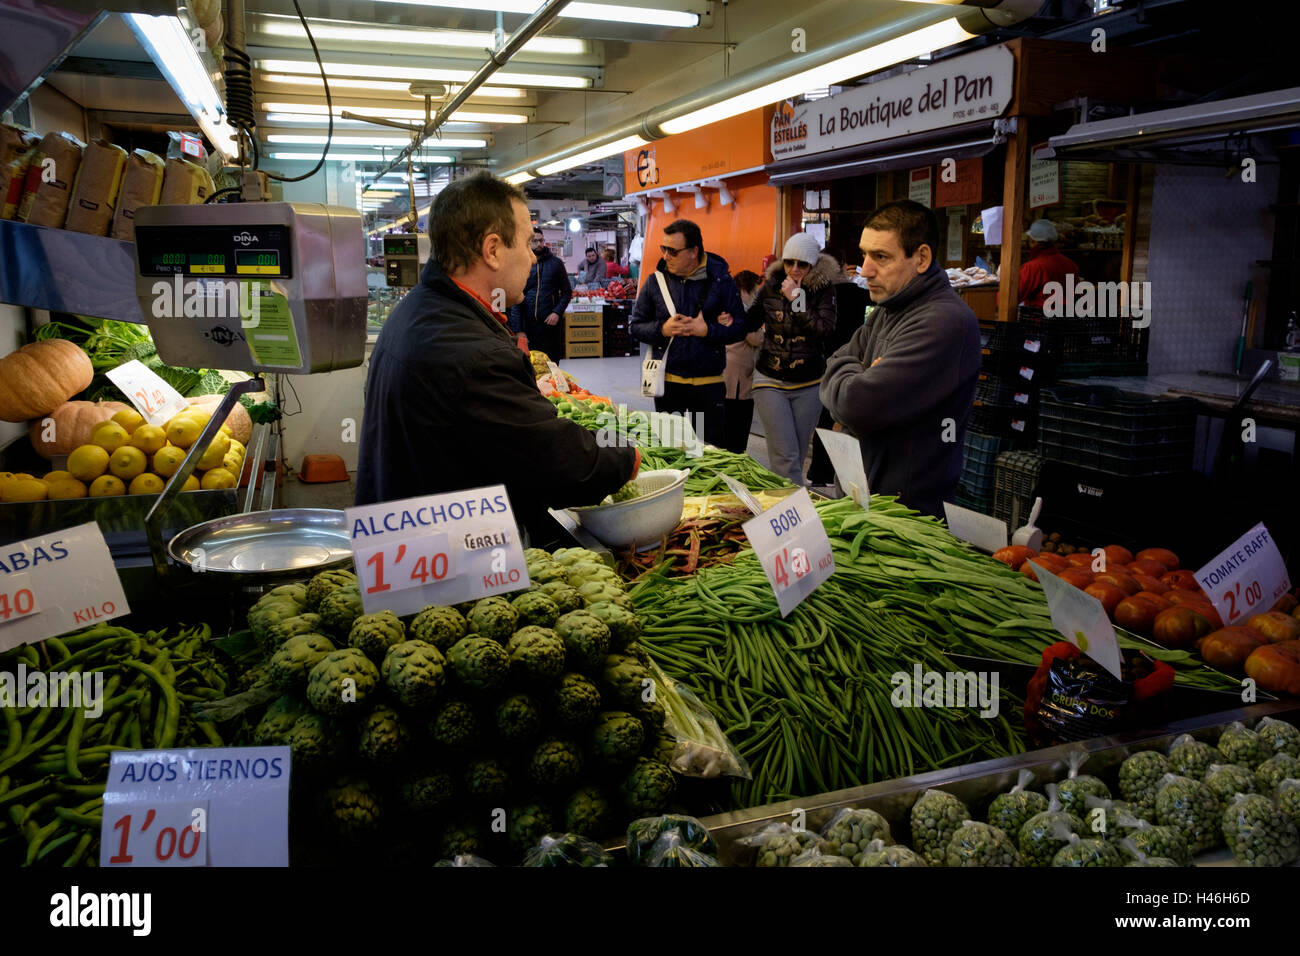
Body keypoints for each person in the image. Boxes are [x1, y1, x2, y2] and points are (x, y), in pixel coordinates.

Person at [356, 173, 639, 546]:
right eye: (525, 244)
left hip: (408, 538)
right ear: (492, 250)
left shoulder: (418, 310)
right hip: (444, 561)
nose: (531, 258)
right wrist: (626, 458)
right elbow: (558, 465)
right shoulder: (472, 353)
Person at [819, 200, 980, 517]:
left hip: (905, 516)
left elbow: (857, 405)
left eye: (881, 257)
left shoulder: (944, 322)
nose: (865, 270)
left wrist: (854, 384)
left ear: (921, 257)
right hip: (864, 502)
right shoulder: (887, 309)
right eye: (865, 254)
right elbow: (834, 361)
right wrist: (857, 374)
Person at [629, 218, 748, 447]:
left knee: (705, 453)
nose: (665, 256)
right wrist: (662, 329)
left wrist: (708, 330)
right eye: (663, 249)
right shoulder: (656, 282)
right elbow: (636, 326)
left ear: (694, 251)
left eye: (673, 251)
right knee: (669, 450)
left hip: (709, 385)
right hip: (667, 384)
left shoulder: (721, 281)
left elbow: (740, 327)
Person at [743, 234, 838, 487]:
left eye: (802, 264)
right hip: (770, 378)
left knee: (794, 453)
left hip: (808, 381)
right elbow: (750, 321)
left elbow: (823, 331)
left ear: (812, 265)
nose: (794, 269)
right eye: (789, 262)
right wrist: (725, 320)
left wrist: (798, 300)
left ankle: (787, 507)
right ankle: (793, 514)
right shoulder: (771, 285)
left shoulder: (824, 289)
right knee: (785, 456)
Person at [806, 247, 871, 488]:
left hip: (822, 364)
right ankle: (842, 476)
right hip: (851, 361)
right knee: (842, 421)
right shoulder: (857, 293)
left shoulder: (815, 295)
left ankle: (819, 471)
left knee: (825, 419)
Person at [507, 227, 571, 360]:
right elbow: (515, 299)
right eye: (535, 241)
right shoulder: (521, 265)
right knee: (529, 366)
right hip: (528, 326)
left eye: (541, 240)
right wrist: (518, 330)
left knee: (551, 364)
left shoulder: (556, 264)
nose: (539, 244)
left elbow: (567, 292)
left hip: (550, 325)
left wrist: (557, 312)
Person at [722, 270, 763, 454]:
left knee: (727, 427)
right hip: (737, 381)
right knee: (738, 428)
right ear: (745, 291)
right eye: (754, 291)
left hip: (728, 377)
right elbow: (756, 339)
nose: (755, 296)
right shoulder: (742, 312)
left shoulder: (726, 307)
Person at [1018, 219, 1078, 310]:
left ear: (1033, 242)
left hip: (1040, 320)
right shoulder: (1070, 264)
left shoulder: (1032, 267)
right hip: (1066, 319)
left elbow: (1016, 294)